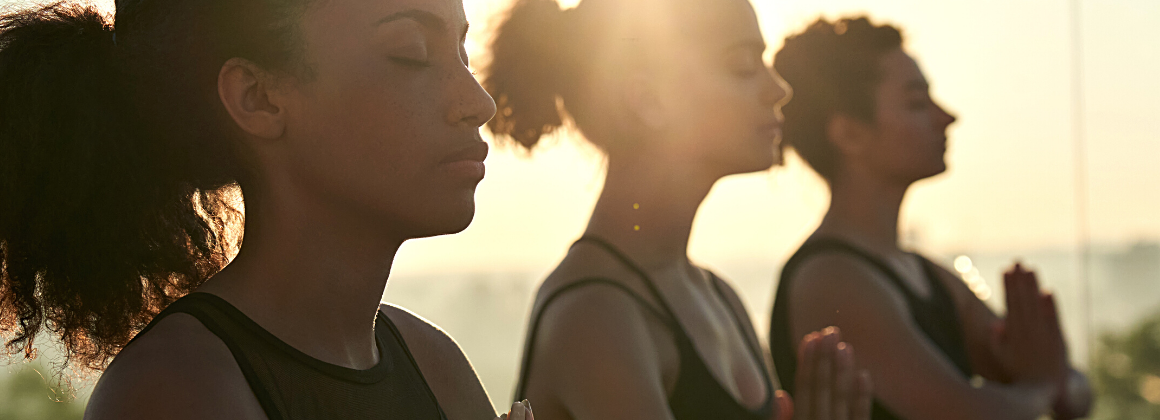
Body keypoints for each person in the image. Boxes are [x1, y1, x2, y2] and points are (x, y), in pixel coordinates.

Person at [0, 1, 533, 419]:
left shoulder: (436, 366)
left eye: (462, 54)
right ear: (258, 98)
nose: (477, 101)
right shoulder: (175, 395)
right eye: (411, 52)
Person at [485, 0, 872, 419]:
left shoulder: (717, 295)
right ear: (648, 99)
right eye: (743, 66)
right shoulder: (595, 315)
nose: (779, 89)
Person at [768, 17, 1093, 420]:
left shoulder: (926, 274)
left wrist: (1046, 381)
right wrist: (1046, 385)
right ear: (849, 134)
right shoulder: (831, 279)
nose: (946, 117)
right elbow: (969, 415)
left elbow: (1078, 390)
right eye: (916, 103)